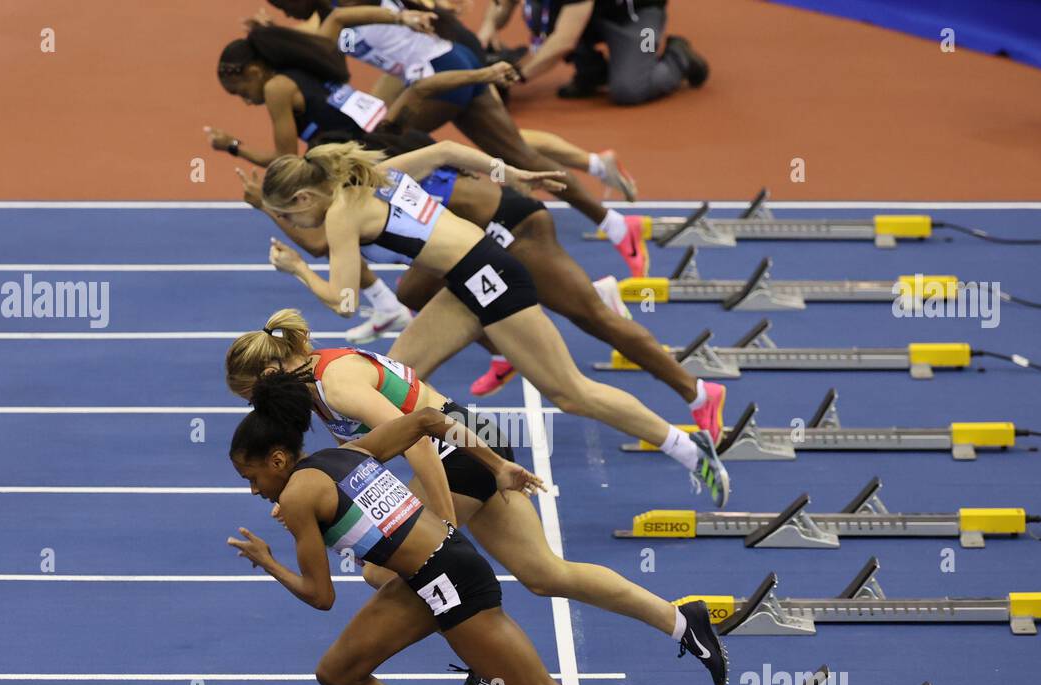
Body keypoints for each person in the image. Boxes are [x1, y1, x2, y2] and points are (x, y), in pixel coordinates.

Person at [225, 368, 751, 685]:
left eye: (252, 477)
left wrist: (269, 559)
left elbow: (322, 597)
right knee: (338, 672)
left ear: (277, 458)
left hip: (448, 584)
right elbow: (429, 420)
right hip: (430, 573)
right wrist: (496, 464)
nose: (253, 490)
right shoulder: (346, 455)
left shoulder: (298, 497)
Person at [225, 308, 732, 685]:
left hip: (459, 448)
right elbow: (365, 459)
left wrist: (443, 527)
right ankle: (680, 621)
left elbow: (421, 438)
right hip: (477, 438)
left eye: (252, 398)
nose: (257, 410)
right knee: (544, 574)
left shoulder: (336, 386)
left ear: (269, 375)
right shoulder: (319, 383)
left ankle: (484, 652)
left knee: (386, 570)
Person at [256, 139, 732, 506]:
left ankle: (690, 449)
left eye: (286, 217)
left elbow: (343, 301)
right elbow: (445, 150)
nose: (294, 227)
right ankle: (418, 476)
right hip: (470, 275)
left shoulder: (340, 212)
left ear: (301, 197)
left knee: (570, 392)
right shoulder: (369, 176)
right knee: (388, 378)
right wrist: (513, 172)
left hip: (489, 276)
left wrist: (297, 268)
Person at [258, 1, 652, 275]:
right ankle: (617, 225)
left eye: (285, 4)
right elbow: (313, 33)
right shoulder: (324, 23)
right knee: (516, 152)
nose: (286, 10)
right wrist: (268, 34)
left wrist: (405, 19)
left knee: (391, 147)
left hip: (439, 76)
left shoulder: (343, 10)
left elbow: (349, 14)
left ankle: (429, 244)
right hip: (450, 62)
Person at [477, 0, 708, 104]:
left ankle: (679, 58)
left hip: (637, 15)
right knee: (539, 10)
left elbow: (564, 41)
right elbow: (502, 3)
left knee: (628, 90)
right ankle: (592, 71)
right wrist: (488, 27)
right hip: (590, 10)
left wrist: (515, 76)